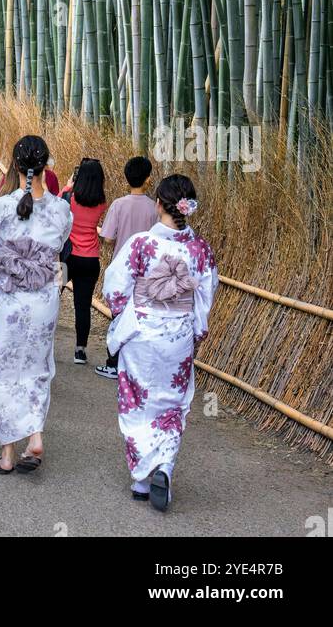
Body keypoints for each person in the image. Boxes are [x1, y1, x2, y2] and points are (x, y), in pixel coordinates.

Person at [102, 174, 218, 511]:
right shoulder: (199, 250)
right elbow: (205, 296)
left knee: (137, 402)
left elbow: (115, 287)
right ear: (187, 208)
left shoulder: (141, 244)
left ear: (158, 205)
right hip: (177, 336)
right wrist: (194, 329)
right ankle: (164, 466)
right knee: (172, 403)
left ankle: (141, 478)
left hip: (142, 332)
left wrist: (127, 314)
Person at [0, 136, 72, 473]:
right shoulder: (62, 209)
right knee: (37, 366)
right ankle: (35, 436)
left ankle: (6, 454)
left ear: (15, 166)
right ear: (46, 166)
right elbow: (59, 244)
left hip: (10, 299)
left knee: (2, 370)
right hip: (44, 300)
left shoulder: (0, 208)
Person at [95, 156, 158, 379]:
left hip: (122, 270)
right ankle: (135, 367)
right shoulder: (154, 208)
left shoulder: (119, 205)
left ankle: (114, 364)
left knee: (119, 318)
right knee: (141, 318)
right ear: (148, 179)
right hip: (147, 272)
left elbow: (108, 238)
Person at [61, 157, 107, 363]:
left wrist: (68, 185)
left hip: (65, 257)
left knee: (51, 297)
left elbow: (57, 206)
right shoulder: (101, 203)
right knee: (83, 306)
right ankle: (80, 350)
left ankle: (42, 338)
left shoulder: (68, 196)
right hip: (90, 260)